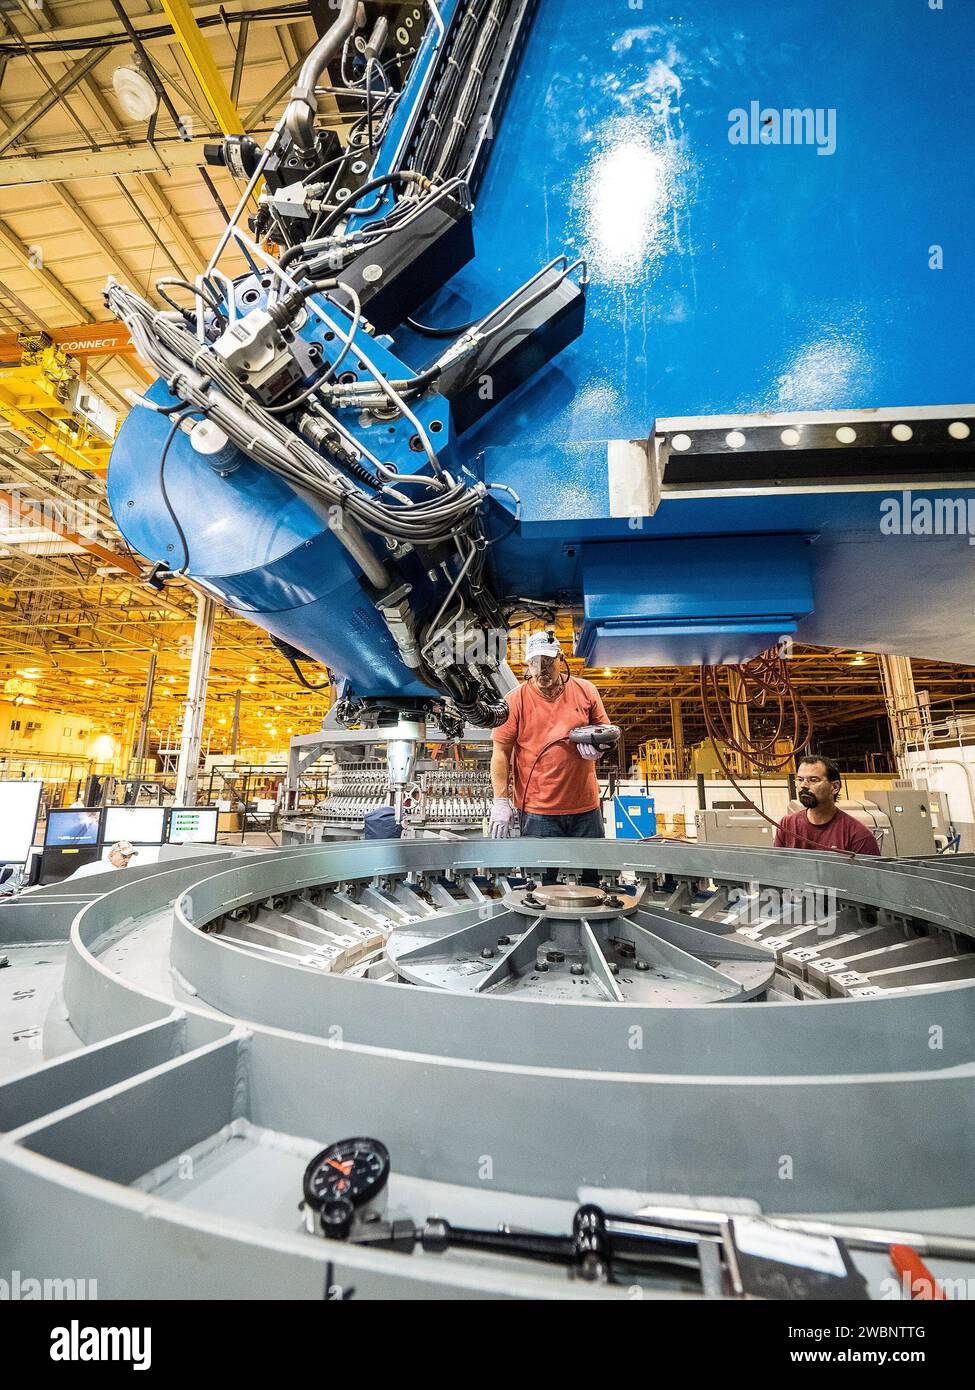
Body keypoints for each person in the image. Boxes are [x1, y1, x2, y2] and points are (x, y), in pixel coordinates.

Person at [489, 631, 610, 868]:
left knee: (591, 880)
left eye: (547, 661)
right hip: (538, 813)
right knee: (542, 886)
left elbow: (605, 731)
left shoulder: (586, 690)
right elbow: (500, 752)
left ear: (560, 658)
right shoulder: (515, 700)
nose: (540, 669)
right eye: (534, 662)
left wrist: (601, 747)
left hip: (585, 809)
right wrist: (500, 801)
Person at [774, 757, 881, 855]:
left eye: (813, 780)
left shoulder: (858, 834)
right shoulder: (786, 825)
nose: (803, 785)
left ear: (835, 787)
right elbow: (776, 870)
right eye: (800, 780)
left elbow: (872, 875)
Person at [67, 840, 140, 880]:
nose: (127, 861)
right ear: (111, 854)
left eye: (129, 857)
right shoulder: (90, 869)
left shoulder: (126, 874)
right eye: (124, 856)